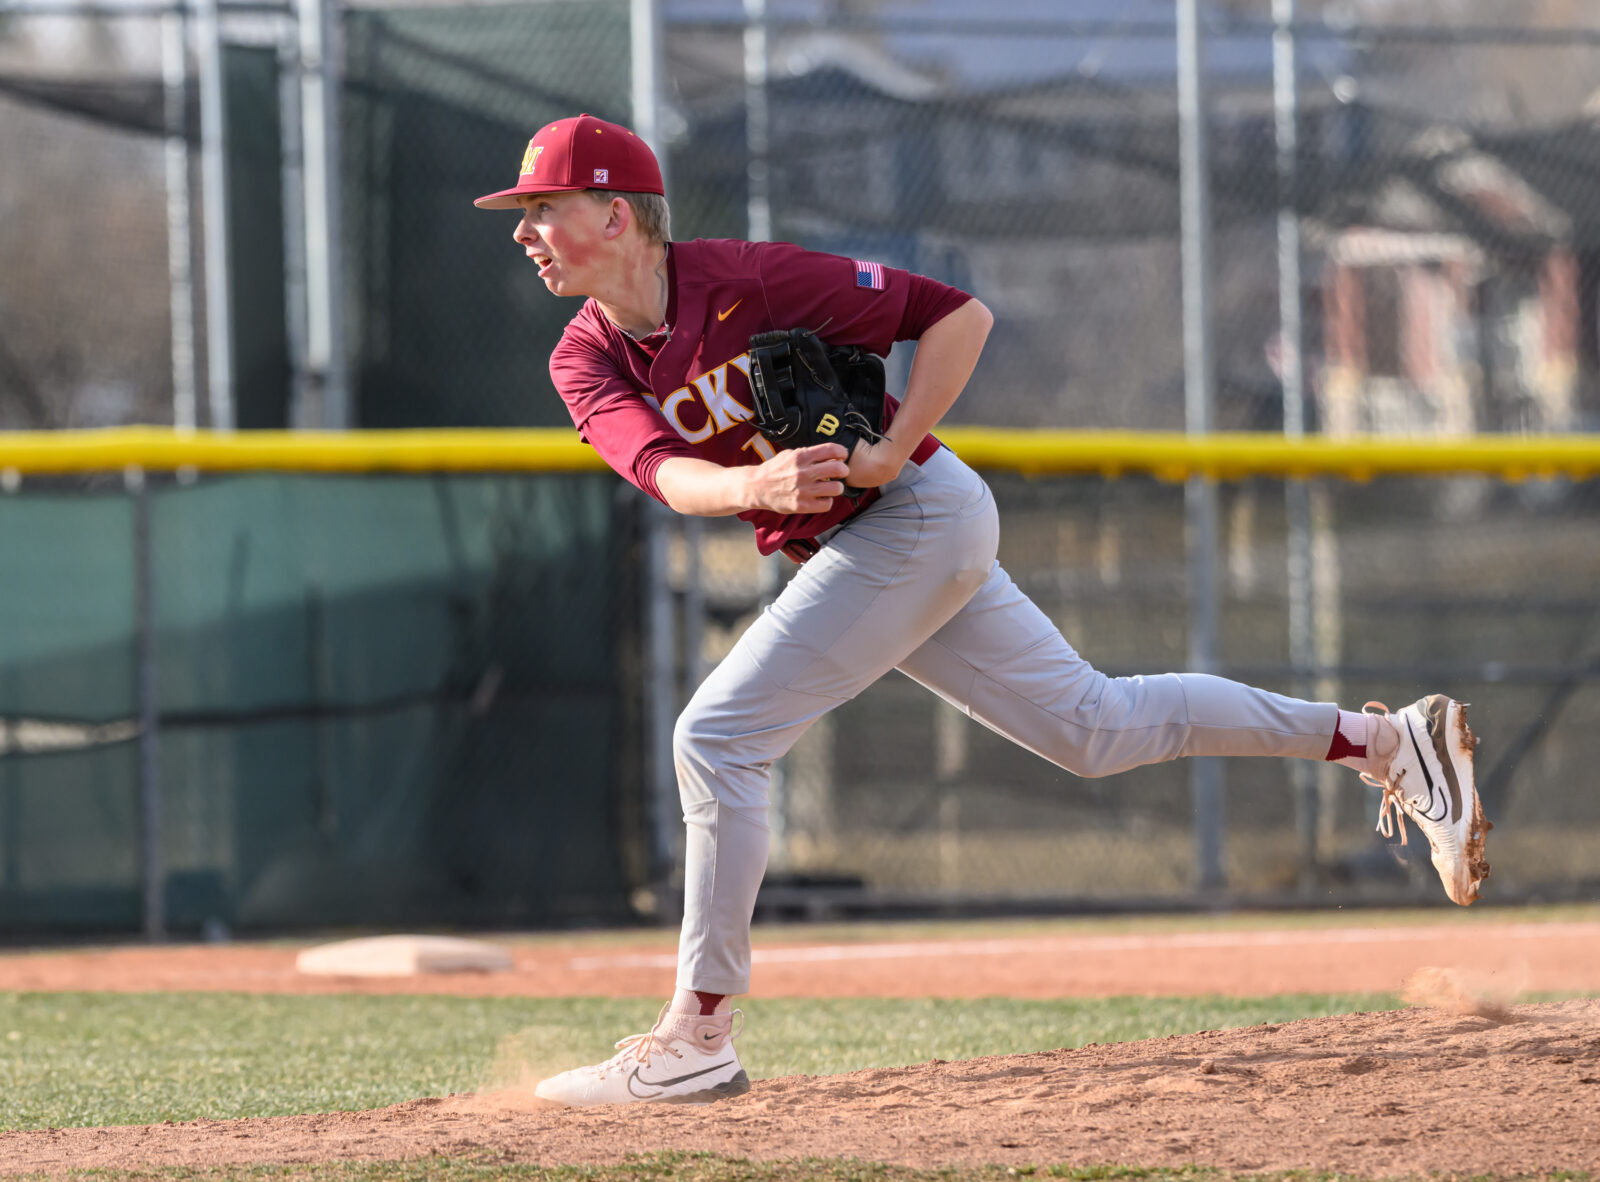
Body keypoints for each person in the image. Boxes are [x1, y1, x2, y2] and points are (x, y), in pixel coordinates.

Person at [473, 114, 1491, 1107]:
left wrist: (888, 441)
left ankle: (696, 1034)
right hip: (866, 542)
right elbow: (664, 473)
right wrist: (756, 487)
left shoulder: (747, 277)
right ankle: (1384, 741)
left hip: (915, 512)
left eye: (540, 208)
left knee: (718, 736)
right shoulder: (585, 355)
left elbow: (954, 317)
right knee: (1096, 728)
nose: (522, 232)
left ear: (616, 215)